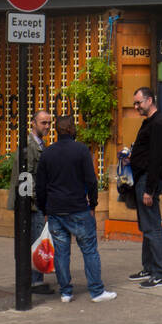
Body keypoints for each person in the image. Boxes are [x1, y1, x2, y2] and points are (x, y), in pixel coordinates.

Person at [35, 115, 115, 303]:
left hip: (55, 210)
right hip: (78, 208)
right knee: (89, 250)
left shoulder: (47, 153)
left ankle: (65, 292)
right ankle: (96, 291)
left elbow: (40, 186)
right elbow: (91, 181)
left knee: (62, 252)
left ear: (56, 130)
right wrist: (93, 204)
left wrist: (44, 209)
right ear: (72, 129)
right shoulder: (81, 150)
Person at [128, 86, 162, 287]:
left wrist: (149, 189)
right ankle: (149, 267)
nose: (136, 106)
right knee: (147, 227)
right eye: (135, 103)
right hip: (142, 179)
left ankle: (161, 273)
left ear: (150, 100)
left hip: (147, 181)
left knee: (152, 227)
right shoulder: (150, 123)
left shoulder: (159, 123)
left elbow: (156, 158)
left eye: (139, 102)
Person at [8, 110, 55, 293]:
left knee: (36, 239)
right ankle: (35, 281)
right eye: (43, 123)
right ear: (33, 123)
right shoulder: (29, 146)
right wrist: (37, 202)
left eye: (49, 123)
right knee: (36, 240)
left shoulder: (39, 145)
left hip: (31, 202)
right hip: (31, 204)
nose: (47, 127)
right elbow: (27, 178)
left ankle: (34, 279)